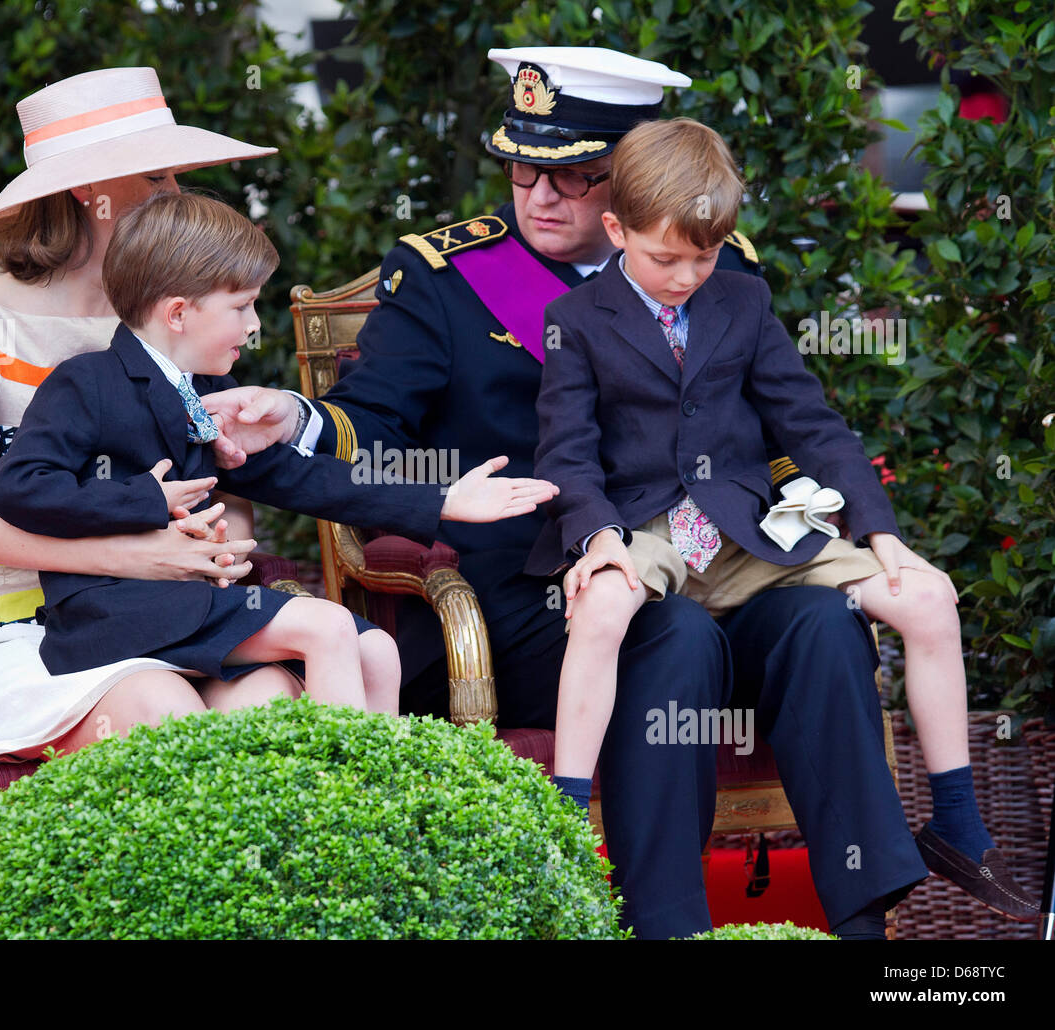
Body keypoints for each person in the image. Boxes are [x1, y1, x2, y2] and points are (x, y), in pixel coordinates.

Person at [202, 46, 930, 939]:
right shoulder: (446, 278)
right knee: (672, 634)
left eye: (575, 177)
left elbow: (778, 436)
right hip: (532, 596)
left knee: (822, 625)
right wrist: (292, 418)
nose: (539, 196)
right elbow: (370, 431)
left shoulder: (712, 263)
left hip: (712, 566)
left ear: (631, 189)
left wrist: (825, 535)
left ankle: (866, 928)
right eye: (521, 168)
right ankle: (664, 927)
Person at [528, 117, 1036, 921]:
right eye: (667, 257)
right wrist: (595, 541)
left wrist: (881, 533)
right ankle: (555, 815)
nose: (688, 274)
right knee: (601, 605)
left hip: (750, 537)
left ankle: (957, 823)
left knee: (929, 597)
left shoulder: (744, 296)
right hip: (649, 531)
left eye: (706, 254)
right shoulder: (578, 318)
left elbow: (812, 425)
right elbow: (567, 452)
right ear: (618, 230)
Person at [0, 190, 555, 713]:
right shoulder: (84, 384)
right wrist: (145, 498)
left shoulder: (206, 393)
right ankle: (336, 818)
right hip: (108, 612)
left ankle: (377, 808)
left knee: (378, 649)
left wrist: (444, 500)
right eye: (242, 308)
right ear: (178, 312)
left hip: (188, 604)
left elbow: (303, 479)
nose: (255, 325)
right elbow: (18, 488)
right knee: (328, 629)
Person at [0, 66, 306, 764]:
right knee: (164, 713)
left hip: (165, 616)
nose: (177, 196)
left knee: (270, 699)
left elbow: (224, 489)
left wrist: (210, 548)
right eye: (157, 179)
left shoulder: (175, 319)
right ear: (85, 191)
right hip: (14, 634)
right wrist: (131, 555)